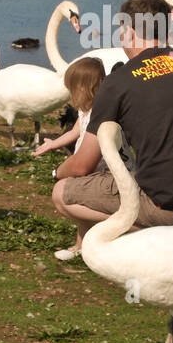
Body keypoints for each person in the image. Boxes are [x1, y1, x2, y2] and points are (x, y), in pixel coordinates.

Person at [52, 0, 173, 247]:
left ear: (128, 30)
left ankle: (161, 233)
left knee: (62, 194)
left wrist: (58, 172)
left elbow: (82, 165)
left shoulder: (116, 83)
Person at [34, 56, 109, 260]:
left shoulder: (101, 113)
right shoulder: (84, 111)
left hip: (98, 166)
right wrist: (52, 144)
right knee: (83, 206)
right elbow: (75, 133)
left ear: (84, 89)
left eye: (72, 88)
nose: (69, 94)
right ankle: (83, 245)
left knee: (83, 204)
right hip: (84, 162)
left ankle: (84, 246)